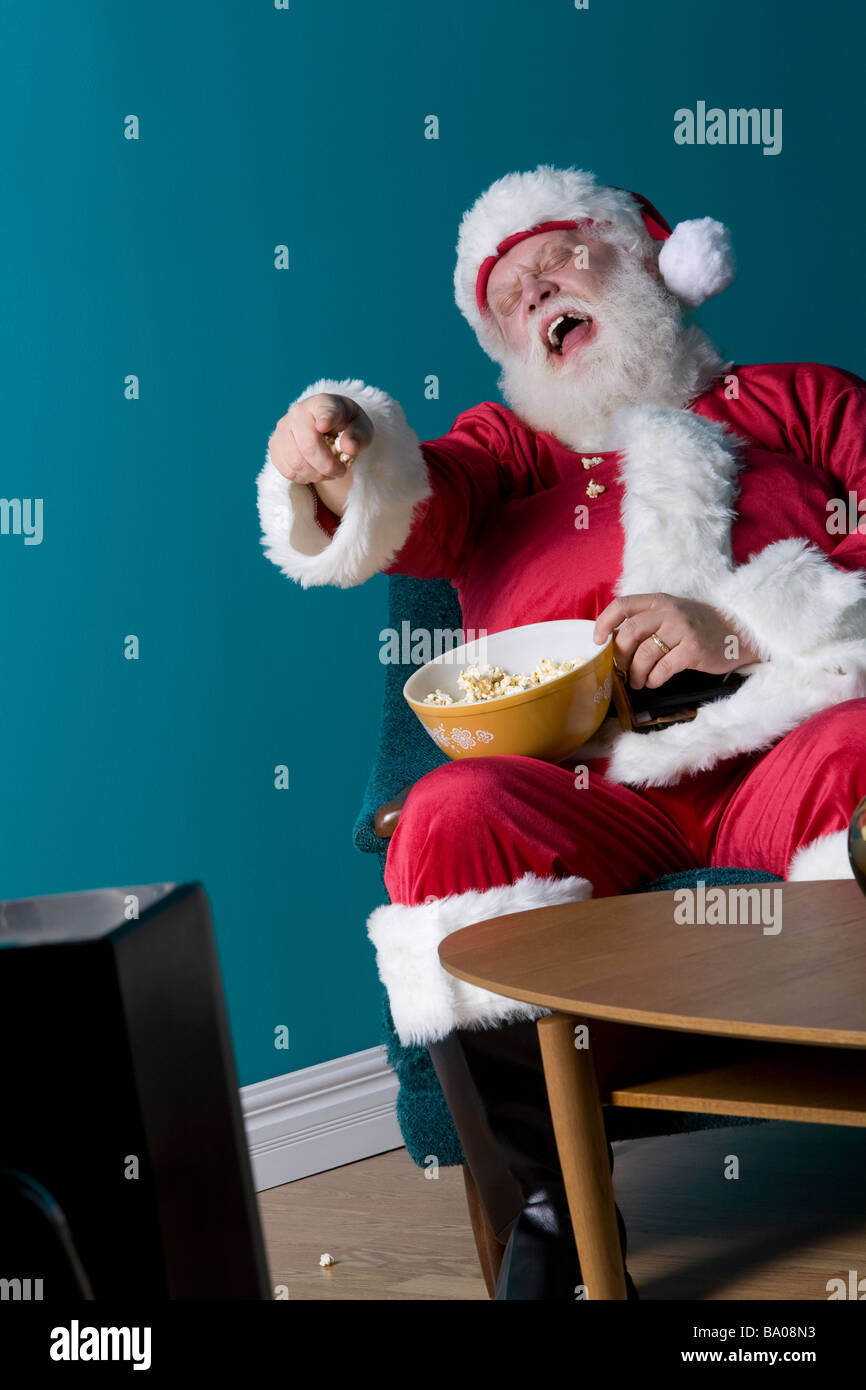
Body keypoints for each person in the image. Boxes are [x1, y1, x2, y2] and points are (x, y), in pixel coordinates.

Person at [256, 164, 866, 1299]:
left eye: (562, 257)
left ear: (650, 264)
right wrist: (335, 449)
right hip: (587, 785)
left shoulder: (805, 404)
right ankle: (547, 1205)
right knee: (445, 818)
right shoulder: (507, 451)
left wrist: (738, 627)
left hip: (788, 740)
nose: (535, 289)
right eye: (508, 292)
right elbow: (408, 501)